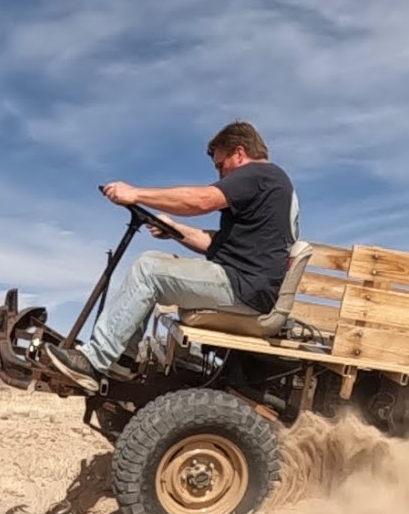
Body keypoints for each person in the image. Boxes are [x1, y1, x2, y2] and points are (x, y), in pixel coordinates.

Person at [45, 121, 300, 393]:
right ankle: (123, 359)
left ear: (239, 153)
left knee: (148, 270)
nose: (220, 174)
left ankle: (95, 361)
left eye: (220, 165)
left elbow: (201, 200)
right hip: (246, 284)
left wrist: (135, 193)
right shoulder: (271, 185)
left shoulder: (259, 174)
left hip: (243, 286)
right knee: (154, 259)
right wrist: (174, 230)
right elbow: (214, 243)